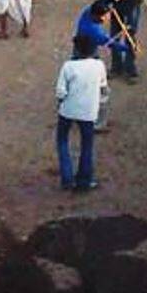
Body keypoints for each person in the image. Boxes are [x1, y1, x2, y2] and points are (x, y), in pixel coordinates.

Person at [56, 34, 107, 192]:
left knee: (62, 140)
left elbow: (60, 92)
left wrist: (61, 103)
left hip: (68, 110)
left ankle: (67, 178)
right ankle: (85, 180)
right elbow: (103, 88)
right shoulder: (99, 65)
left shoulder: (68, 66)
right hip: (89, 112)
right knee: (87, 145)